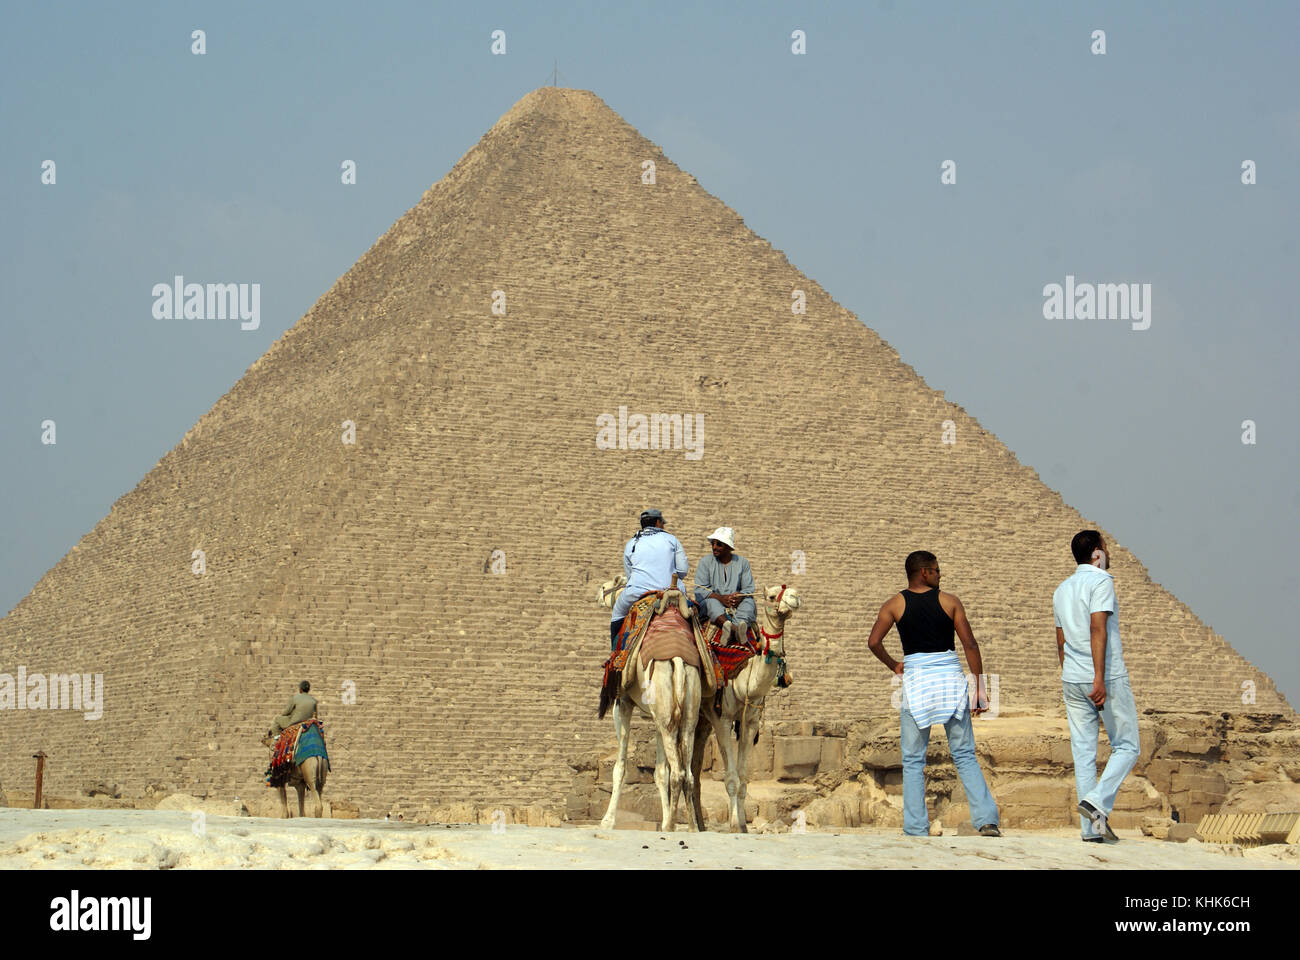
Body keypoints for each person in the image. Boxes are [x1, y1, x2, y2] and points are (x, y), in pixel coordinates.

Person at [866, 551, 999, 837]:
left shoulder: (894, 605)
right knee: (964, 754)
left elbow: (873, 641)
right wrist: (979, 687)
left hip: (917, 682)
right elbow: (970, 645)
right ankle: (987, 821)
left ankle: (916, 827)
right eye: (937, 570)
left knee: (913, 759)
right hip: (950, 680)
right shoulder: (950, 602)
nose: (940, 574)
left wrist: (894, 665)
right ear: (924, 572)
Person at [1053, 530, 1139, 843]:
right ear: (1097, 554)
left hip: (1072, 678)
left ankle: (1092, 831)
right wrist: (1098, 677)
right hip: (1104, 676)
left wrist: (1071, 674)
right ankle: (1097, 802)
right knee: (1127, 746)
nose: (1109, 552)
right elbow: (1097, 628)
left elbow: (1060, 641)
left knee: (1084, 754)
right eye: (1106, 547)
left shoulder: (1061, 589)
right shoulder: (1101, 581)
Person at [609, 509, 689, 649]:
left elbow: (630, 576)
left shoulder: (632, 543)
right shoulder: (672, 540)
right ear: (658, 522)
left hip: (637, 593)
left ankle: (615, 654)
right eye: (662, 523)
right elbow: (682, 571)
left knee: (617, 613)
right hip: (670, 591)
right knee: (694, 615)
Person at [693, 527, 757, 645]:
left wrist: (739, 596)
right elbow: (699, 589)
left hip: (736, 603)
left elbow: (748, 588)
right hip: (714, 602)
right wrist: (721, 598)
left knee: (749, 602)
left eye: (719, 544)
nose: (714, 547)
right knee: (710, 603)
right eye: (713, 544)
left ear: (728, 547)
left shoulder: (743, 563)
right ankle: (734, 629)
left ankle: (737, 626)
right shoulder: (705, 562)